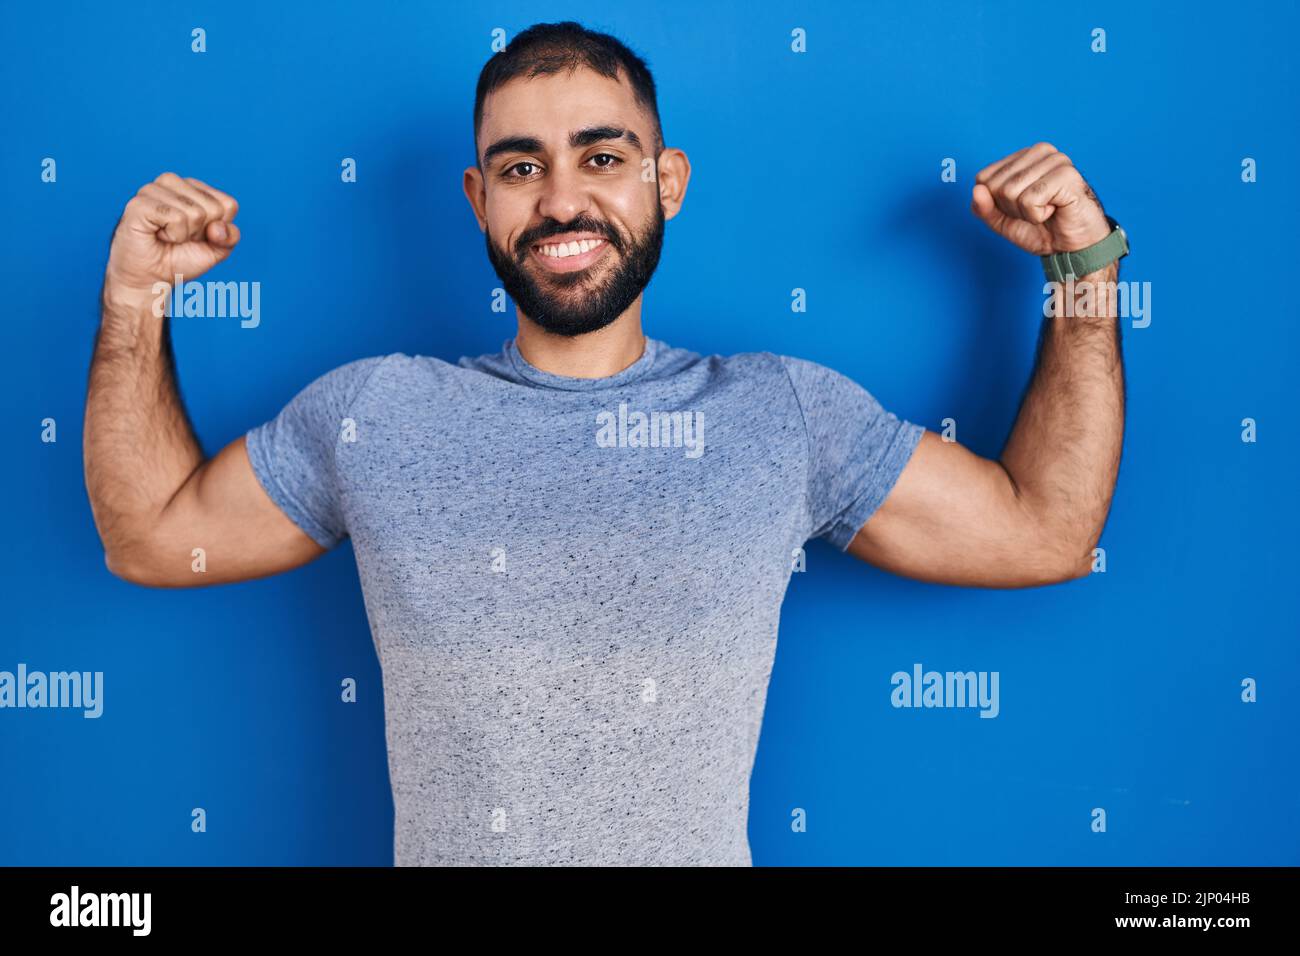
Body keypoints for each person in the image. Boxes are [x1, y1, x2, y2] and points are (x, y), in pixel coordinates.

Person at [83, 21, 1126, 865]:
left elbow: (1044, 533)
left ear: (665, 181)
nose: (562, 199)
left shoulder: (780, 413)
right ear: (477, 198)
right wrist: (135, 297)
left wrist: (1082, 268)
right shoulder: (375, 412)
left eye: (602, 155)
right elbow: (151, 536)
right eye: (520, 166)